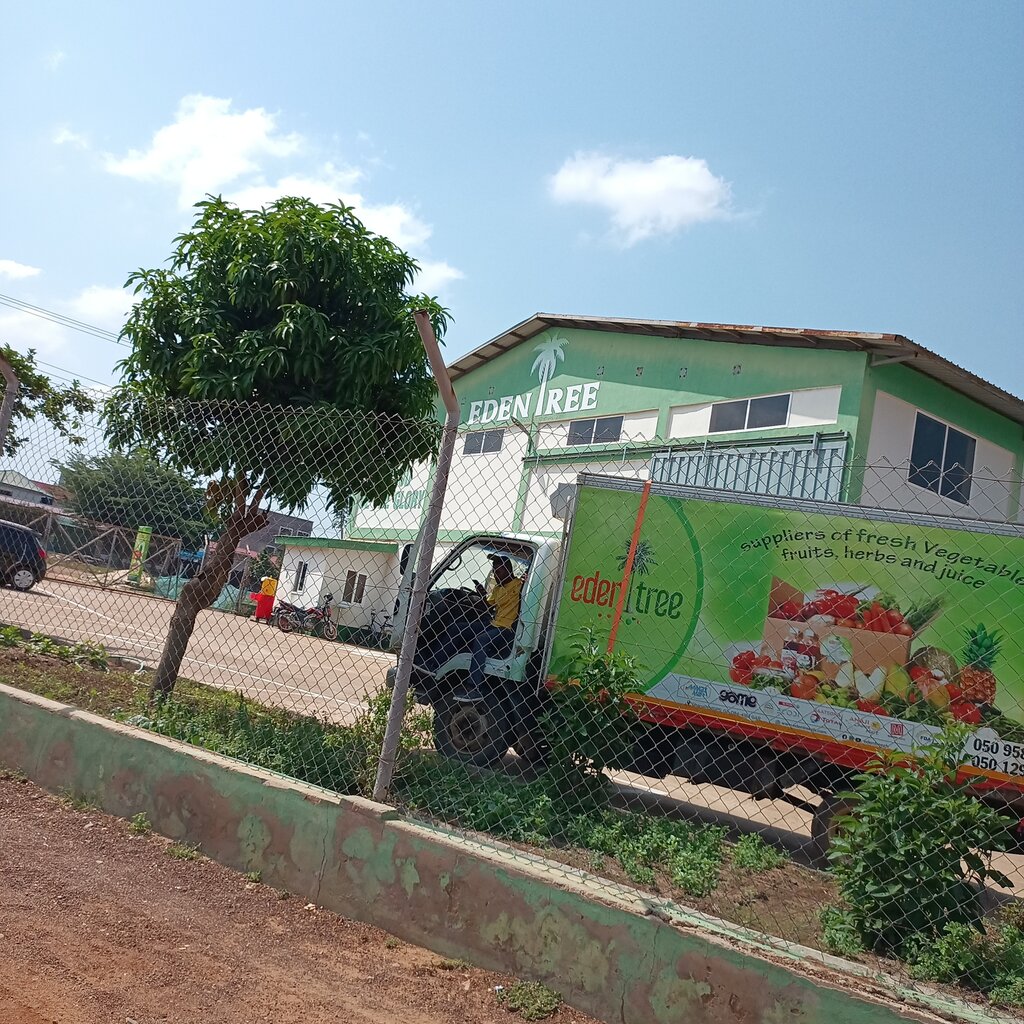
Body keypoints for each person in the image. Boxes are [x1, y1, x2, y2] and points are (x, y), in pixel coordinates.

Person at [459, 554, 523, 701]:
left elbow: (528, 583)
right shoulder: (498, 588)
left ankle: (474, 687)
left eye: (498, 571)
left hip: (506, 629)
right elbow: (488, 605)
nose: (495, 574)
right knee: (458, 628)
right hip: (494, 624)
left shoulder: (518, 584)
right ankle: (434, 665)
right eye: (494, 571)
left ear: (508, 570)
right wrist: (481, 593)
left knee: (480, 641)